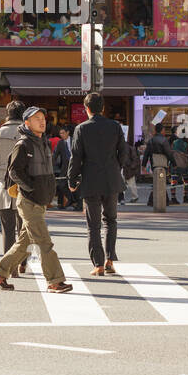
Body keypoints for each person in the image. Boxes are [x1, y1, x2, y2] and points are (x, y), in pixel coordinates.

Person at [0, 107, 72, 294]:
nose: (42, 121)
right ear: (27, 123)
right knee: (45, 243)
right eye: (37, 119)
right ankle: (55, 281)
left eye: (43, 118)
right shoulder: (24, 143)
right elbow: (14, 171)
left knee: (23, 244)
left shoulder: (43, 142)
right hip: (28, 202)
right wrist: (31, 188)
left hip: (39, 201)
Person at [68, 91, 128, 276]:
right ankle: (110, 260)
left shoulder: (81, 129)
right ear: (103, 108)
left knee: (93, 225)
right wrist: (115, 167)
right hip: (111, 179)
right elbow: (124, 152)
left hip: (90, 180)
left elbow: (76, 156)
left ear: (87, 109)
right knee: (111, 220)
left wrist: (72, 179)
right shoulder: (115, 126)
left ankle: (98, 264)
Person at [0, 101, 30, 272]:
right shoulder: (28, 133)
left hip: (3, 182)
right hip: (24, 182)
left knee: (7, 227)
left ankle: (8, 266)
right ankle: (22, 261)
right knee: (24, 226)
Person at [146, 125, 178, 205]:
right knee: (162, 180)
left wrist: (143, 164)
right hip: (162, 162)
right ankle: (161, 200)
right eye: (164, 130)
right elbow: (169, 153)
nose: (164, 131)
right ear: (162, 130)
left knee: (157, 181)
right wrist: (174, 163)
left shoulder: (151, 140)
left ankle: (156, 200)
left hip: (154, 162)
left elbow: (147, 153)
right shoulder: (164, 140)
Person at [121, 132, 142, 203]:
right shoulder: (129, 147)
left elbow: (134, 158)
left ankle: (123, 198)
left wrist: (131, 166)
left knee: (126, 183)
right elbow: (135, 158)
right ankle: (133, 196)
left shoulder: (126, 147)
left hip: (126, 167)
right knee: (131, 183)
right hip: (127, 167)